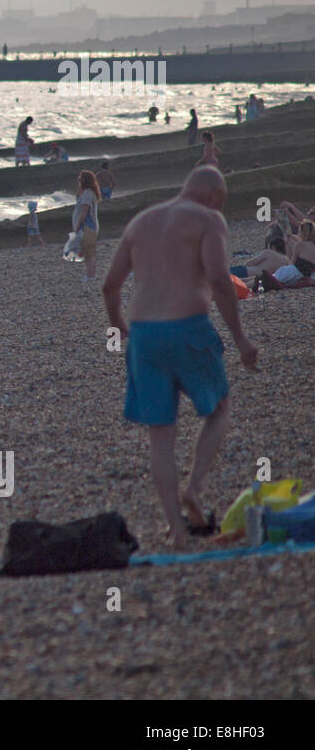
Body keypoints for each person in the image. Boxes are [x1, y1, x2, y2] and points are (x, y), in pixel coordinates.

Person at [102, 166, 259, 549]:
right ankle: (193, 490)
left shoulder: (142, 221)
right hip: (187, 327)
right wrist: (240, 339)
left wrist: (119, 325)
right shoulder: (207, 218)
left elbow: (110, 285)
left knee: (161, 436)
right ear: (213, 195)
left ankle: (176, 531)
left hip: (143, 335)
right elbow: (221, 279)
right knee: (219, 408)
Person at [255, 222, 315, 291]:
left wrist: (287, 243)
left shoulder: (300, 245)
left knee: (265, 279)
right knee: (266, 277)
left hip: (292, 272)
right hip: (301, 275)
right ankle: (244, 282)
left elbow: (291, 262)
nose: (298, 233)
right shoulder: (309, 245)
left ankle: (244, 284)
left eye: (299, 231)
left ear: (303, 233)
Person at [73, 170, 102, 283]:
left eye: (80, 178)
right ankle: (91, 276)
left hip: (87, 227)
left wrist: (76, 228)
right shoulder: (90, 192)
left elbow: (84, 212)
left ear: (84, 180)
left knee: (88, 253)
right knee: (90, 253)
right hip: (91, 227)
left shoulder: (87, 194)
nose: (78, 180)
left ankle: (90, 276)